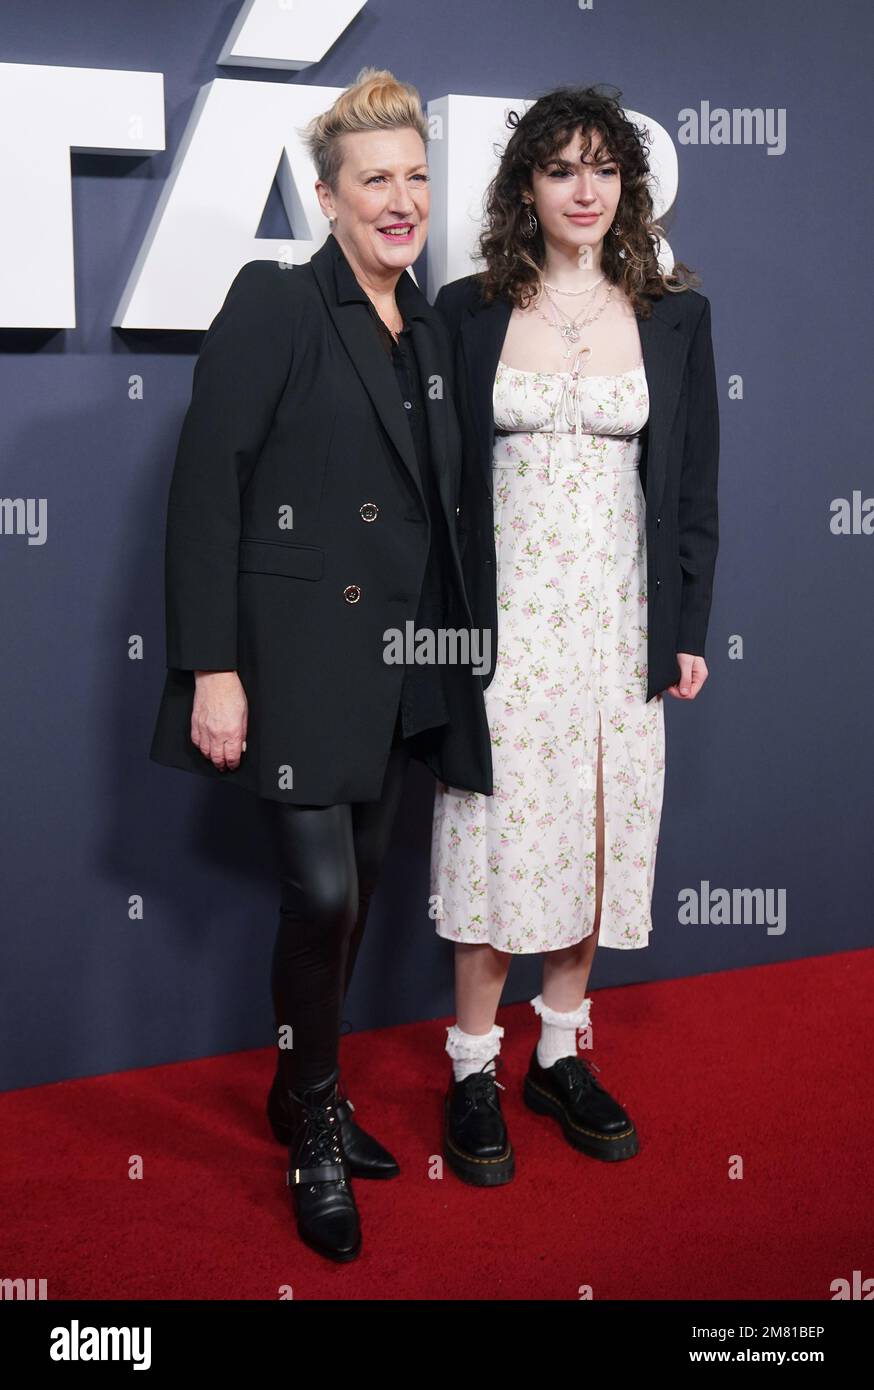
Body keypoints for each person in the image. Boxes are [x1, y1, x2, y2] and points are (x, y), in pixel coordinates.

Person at [149, 68, 493, 1259]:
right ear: (327, 194)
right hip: (288, 662)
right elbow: (207, 492)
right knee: (326, 897)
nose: (400, 201)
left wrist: (458, 657)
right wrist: (213, 667)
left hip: (398, 669)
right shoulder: (276, 303)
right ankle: (308, 1123)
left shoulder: (431, 326)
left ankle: (308, 1088)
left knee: (358, 900)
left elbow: (440, 513)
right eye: (374, 181)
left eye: (414, 178)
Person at [429, 85, 719, 1185]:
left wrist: (684, 624)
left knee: (592, 831)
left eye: (603, 169)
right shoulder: (464, 309)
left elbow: (692, 484)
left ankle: (558, 1049)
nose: (584, 189)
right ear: (527, 188)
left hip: (615, 624)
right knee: (498, 837)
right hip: (500, 635)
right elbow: (431, 486)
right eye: (560, 169)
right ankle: (470, 1067)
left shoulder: (675, 312)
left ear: (628, 187)